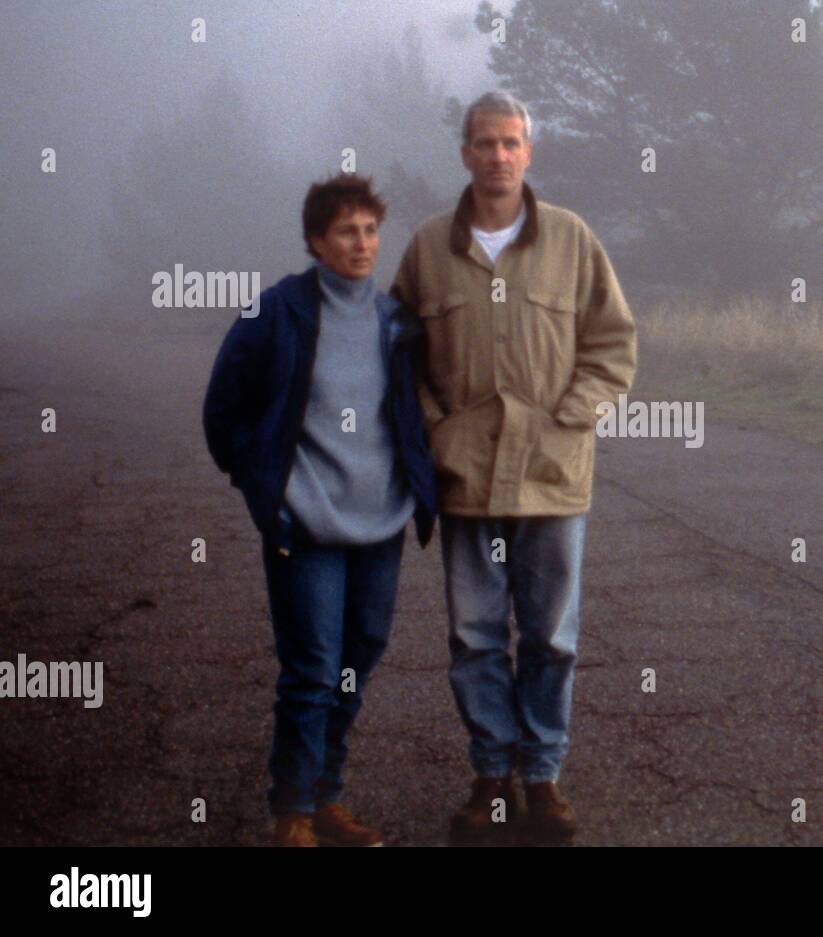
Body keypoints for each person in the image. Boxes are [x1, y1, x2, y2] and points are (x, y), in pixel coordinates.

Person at [390, 91, 636, 843]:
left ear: (530, 152)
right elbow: (401, 358)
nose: (498, 156)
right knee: (474, 635)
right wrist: (435, 429)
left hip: (552, 477)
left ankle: (542, 776)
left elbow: (612, 345)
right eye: (484, 143)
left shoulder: (571, 239)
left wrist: (573, 415)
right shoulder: (429, 247)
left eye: (511, 143)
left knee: (552, 636)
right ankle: (490, 774)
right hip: (465, 479)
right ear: (464, 153)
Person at [203, 173, 438, 846]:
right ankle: (292, 814)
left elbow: (408, 412)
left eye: (369, 230)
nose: (362, 243)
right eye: (346, 231)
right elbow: (224, 411)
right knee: (311, 668)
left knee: (355, 661)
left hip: (381, 525)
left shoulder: (396, 321)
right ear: (315, 240)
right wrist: (263, 487)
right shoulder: (276, 311)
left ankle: (327, 799)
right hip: (306, 528)